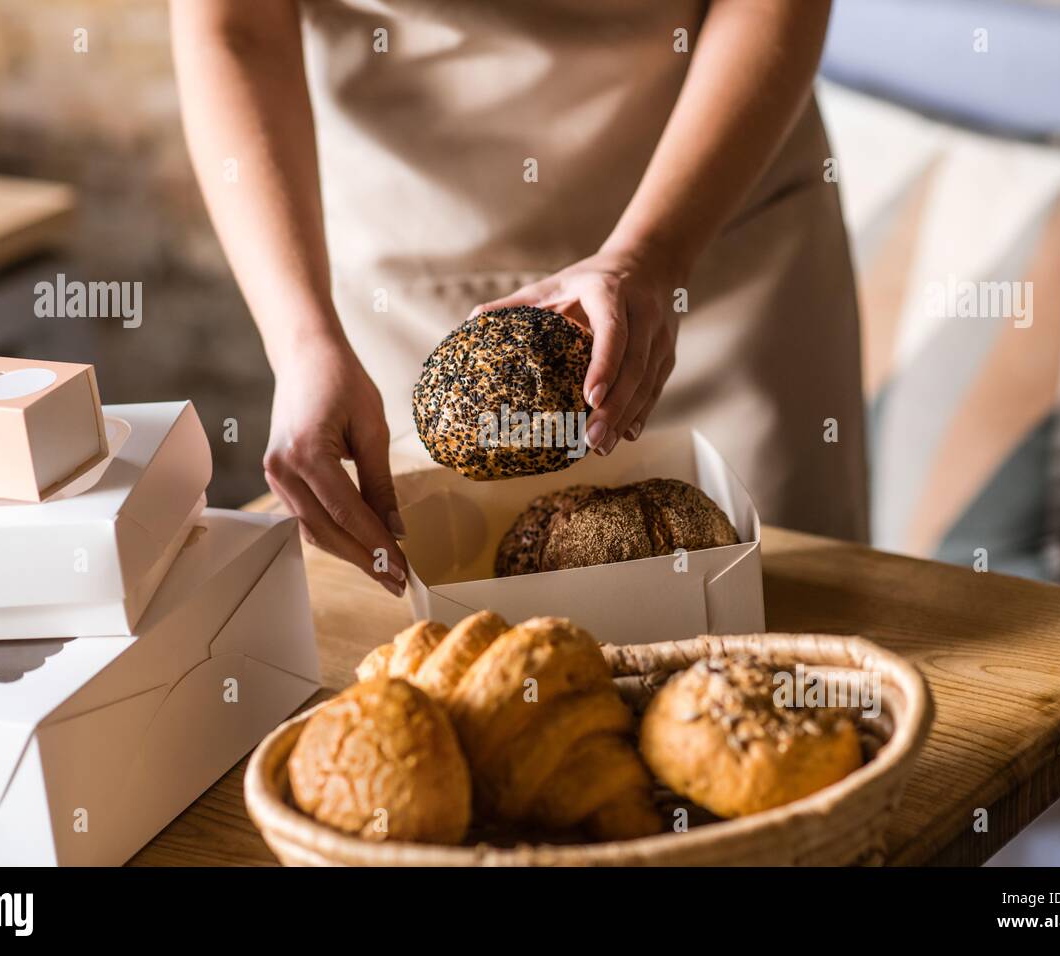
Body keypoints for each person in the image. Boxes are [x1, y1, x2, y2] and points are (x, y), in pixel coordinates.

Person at [170, 0, 867, 598]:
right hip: (409, 278)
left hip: (715, 238)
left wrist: (655, 252)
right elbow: (236, 27)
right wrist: (301, 340)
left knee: (792, 610)